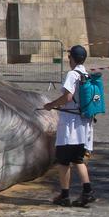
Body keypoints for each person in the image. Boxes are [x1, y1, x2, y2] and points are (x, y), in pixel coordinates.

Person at [39, 46, 97, 207]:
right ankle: (87, 191)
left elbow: (68, 97)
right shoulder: (85, 73)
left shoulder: (72, 74)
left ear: (72, 58)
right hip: (83, 123)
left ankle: (65, 195)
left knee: (63, 161)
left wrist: (51, 104)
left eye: (69, 57)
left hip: (70, 124)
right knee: (78, 159)